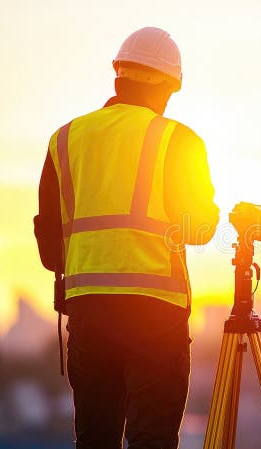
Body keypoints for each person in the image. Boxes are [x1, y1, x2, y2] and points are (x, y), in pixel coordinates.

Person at [33, 26, 219, 449]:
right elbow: (200, 229)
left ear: (119, 75)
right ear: (169, 86)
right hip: (156, 319)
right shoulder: (178, 140)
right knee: (151, 439)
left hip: (89, 319)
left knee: (95, 440)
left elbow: (50, 250)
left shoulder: (65, 139)